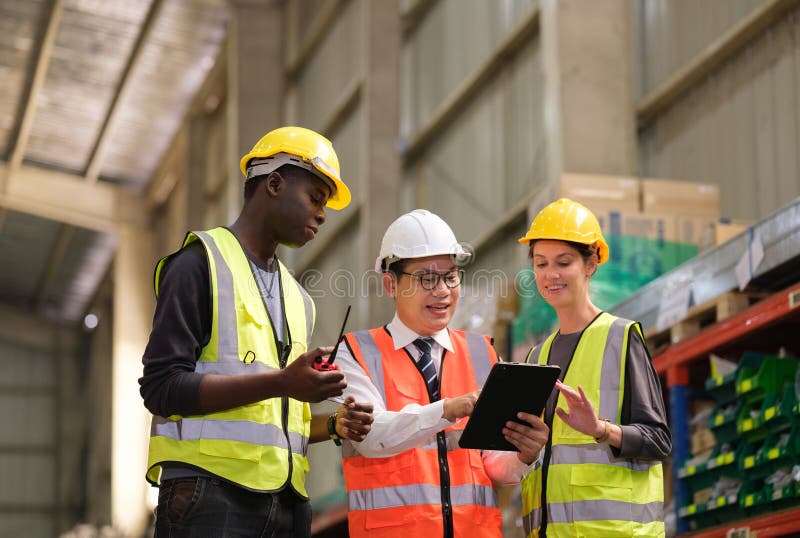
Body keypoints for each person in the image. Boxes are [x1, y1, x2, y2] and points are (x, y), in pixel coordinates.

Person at [138, 126, 374, 538]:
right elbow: (160, 388)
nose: (321, 214)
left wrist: (335, 423)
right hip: (207, 497)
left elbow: (280, 421)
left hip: (284, 504)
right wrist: (282, 381)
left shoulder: (299, 300)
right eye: (315, 198)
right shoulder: (198, 265)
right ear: (275, 183)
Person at [333, 209, 549, 538]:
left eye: (450, 276)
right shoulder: (356, 354)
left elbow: (492, 462)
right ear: (391, 283)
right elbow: (372, 436)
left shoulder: (483, 353)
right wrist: (447, 409)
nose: (444, 291)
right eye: (428, 279)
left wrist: (524, 454)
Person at [515, 198, 672, 537]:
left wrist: (601, 429)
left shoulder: (620, 337)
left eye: (564, 262)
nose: (550, 274)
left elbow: (658, 440)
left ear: (591, 264)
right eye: (540, 264)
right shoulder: (534, 358)